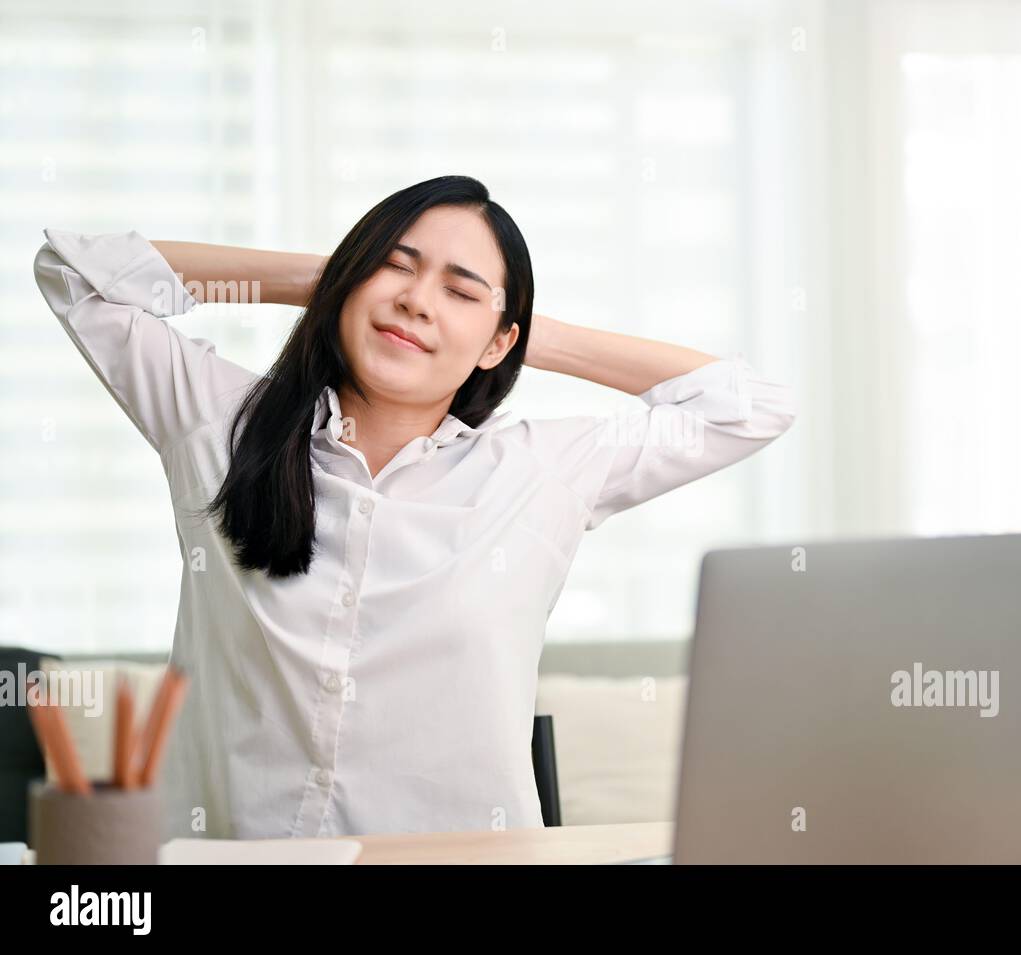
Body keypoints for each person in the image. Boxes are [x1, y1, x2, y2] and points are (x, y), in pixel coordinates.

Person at [33, 174, 797, 839]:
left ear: (501, 341)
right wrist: (335, 277)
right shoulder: (217, 421)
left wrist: (518, 329)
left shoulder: (540, 469)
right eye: (393, 269)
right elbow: (75, 271)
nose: (416, 300)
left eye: (460, 289)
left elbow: (751, 405)